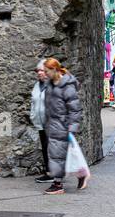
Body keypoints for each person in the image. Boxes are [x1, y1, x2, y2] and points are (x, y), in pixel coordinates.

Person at [42, 57, 85, 194]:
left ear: (54, 70)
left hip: (62, 125)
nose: (45, 73)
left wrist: (72, 128)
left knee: (57, 155)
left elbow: (74, 109)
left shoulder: (67, 86)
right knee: (63, 155)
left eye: (46, 71)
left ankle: (58, 184)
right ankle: (80, 174)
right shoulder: (50, 84)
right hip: (52, 124)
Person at [30, 60, 52, 183]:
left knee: (52, 148)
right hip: (40, 123)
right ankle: (49, 173)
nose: (39, 73)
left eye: (42, 70)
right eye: (37, 71)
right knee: (45, 148)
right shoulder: (37, 86)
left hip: (51, 123)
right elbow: (33, 102)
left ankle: (55, 174)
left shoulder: (53, 84)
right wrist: (33, 116)